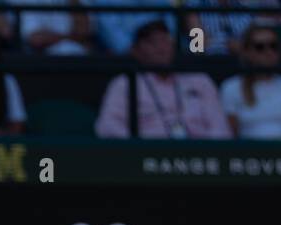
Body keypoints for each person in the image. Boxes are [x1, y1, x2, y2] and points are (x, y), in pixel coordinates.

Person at [94, 20, 232, 139]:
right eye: (152, 42)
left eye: (165, 40)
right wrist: (138, 146)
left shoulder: (200, 80)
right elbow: (107, 126)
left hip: (199, 157)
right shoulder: (125, 83)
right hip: (147, 158)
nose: (161, 47)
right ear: (136, 51)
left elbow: (220, 129)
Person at [220, 24, 281, 139]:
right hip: (249, 152)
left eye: (273, 46)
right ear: (247, 52)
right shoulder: (231, 87)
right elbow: (230, 133)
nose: (269, 52)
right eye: (260, 47)